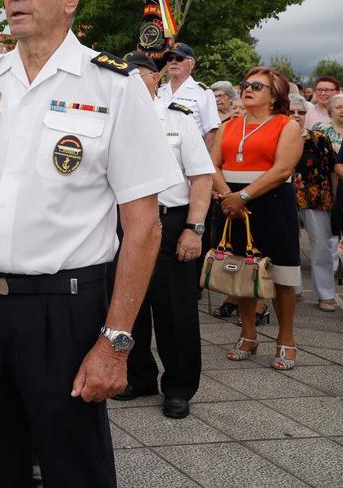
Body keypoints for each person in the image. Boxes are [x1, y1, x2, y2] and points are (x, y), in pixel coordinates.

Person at [0, 0, 181, 487]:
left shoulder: (114, 87)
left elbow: (144, 226)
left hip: (63, 311)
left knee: (74, 467)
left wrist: (116, 342)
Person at [113, 52, 215, 419]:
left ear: (156, 78)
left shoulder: (178, 119)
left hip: (170, 223)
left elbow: (201, 178)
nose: (129, 80)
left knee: (175, 310)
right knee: (129, 303)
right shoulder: (113, 120)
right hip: (123, 223)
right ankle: (138, 376)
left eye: (137, 73)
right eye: (124, 74)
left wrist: (194, 229)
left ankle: (179, 386)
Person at [211, 67, 303, 369]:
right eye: (245, 84)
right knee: (243, 269)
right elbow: (213, 164)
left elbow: (282, 169)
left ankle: (286, 339)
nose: (247, 89)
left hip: (272, 202)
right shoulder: (229, 125)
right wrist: (229, 196)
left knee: (282, 274)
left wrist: (244, 196)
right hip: (233, 203)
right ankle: (248, 334)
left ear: (275, 96)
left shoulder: (286, 125)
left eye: (257, 86)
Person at [288, 94, 338, 311]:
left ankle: (326, 294)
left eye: (301, 112)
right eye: (291, 111)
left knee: (321, 248)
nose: (296, 115)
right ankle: (293, 289)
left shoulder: (319, 138)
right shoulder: (277, 138)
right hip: (285, 198)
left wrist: (335, 199)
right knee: (288, 246)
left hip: (317, 199)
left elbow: (332, 171)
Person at [156, 43, 219, 144]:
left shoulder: (203, 93)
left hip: (190, 150)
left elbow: (212, 131)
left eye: (179, 58)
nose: (173, 62)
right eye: (170, 59)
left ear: (192, 64)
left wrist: (205, 154)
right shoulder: (159, 91)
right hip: (161, 148)